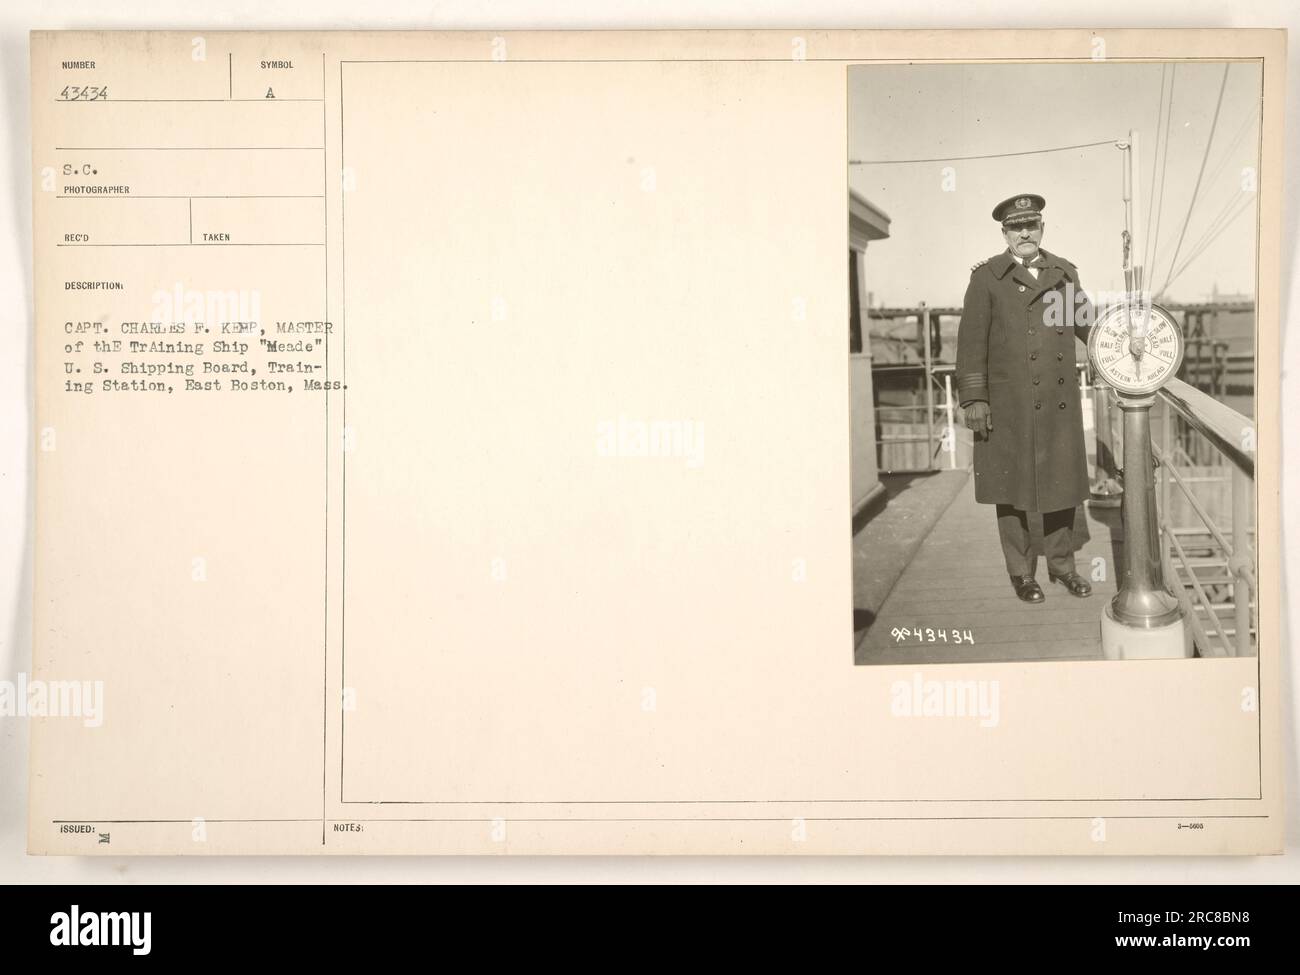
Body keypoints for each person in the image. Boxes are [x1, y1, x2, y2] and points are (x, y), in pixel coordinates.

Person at [955, 194, 1095, 603]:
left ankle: (1063, 568)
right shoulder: (986, 279)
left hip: (1057, 402)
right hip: (1008, 404)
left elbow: (1089, 326)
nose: (1025, 233)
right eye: (1017, 228)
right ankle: (1021, 574)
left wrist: (1127, 346)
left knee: (1061, 487)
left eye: (1031, 225)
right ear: (1005, 233)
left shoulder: (1063, 274)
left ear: (1042, 228)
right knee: (1011, 492)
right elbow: (970, 344)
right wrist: (973, 399)